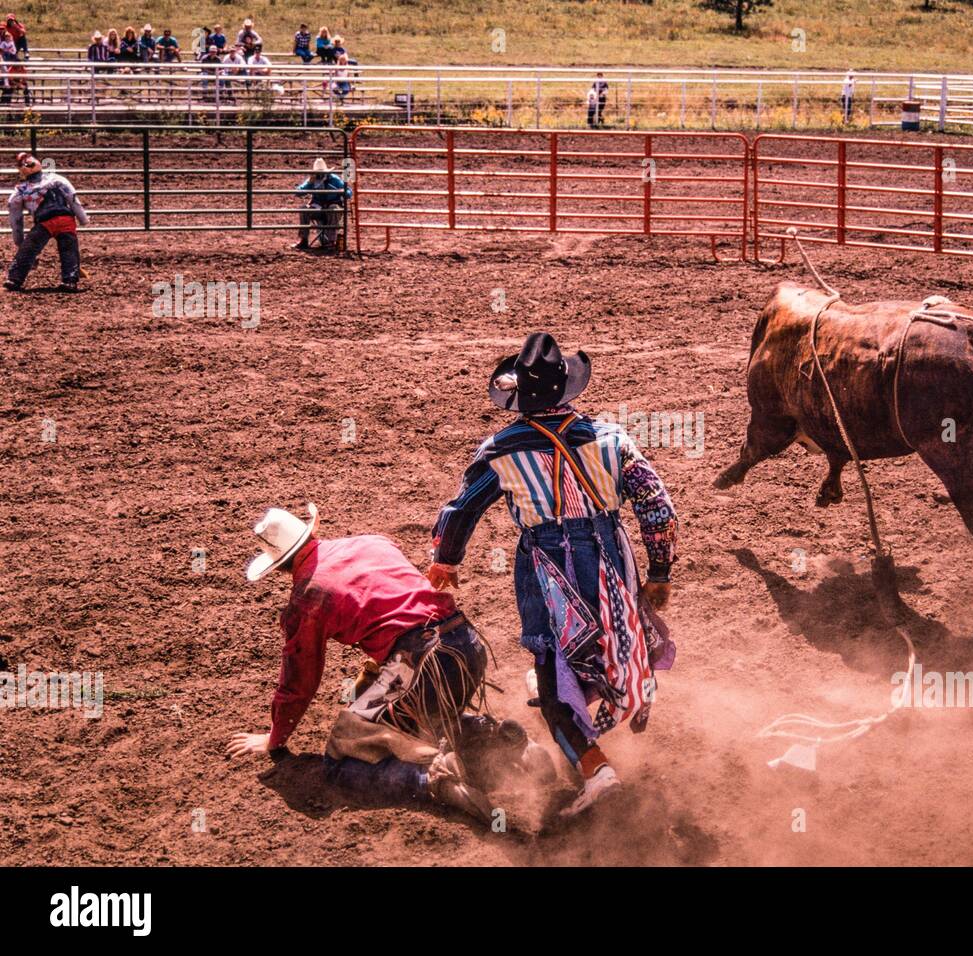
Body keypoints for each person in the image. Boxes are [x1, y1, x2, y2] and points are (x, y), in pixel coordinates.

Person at [428, 332, 678, 817]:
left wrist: (446, 561)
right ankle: (608, 707)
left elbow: (461, 512)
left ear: (519, 397)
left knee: (550, 662)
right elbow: (656, 505)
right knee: (614, 636)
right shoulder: (611, 438)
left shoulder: (500, 450)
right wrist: (660, 571)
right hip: (610, 558)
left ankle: (595, 769)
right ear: (569, 390)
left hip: (546, 566)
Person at [226, 502, 553, 823]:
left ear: (278, 564)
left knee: (340, 761)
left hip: (420, 663)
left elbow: (301, 679)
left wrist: (276, 736)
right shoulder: (371, 542)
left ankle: (434, 780)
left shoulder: (308, 595)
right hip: (466, 642)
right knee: (422, 717)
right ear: (310, 532)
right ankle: (506, 742)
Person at [5, 152, 88, 293]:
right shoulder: (57, 179)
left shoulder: (21, 190)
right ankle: (70, 280)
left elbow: (15, 218)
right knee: (69, 250)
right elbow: (72, 198)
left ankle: (15, 279)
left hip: (44, 222)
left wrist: (19, 240)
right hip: (65, 220)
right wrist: (82, 218)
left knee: (28, 250)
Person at [293, 157, 350, 250]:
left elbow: (348, 192)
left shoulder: (334, 179)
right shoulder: (312, 180)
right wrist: (309, 184)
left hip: (332, 209)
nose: (319, 175)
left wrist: (341, 191)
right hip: (318, 209)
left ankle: (331, 241)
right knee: (304, 209)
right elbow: (298, 192)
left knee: (333, 208)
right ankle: (303, 240)